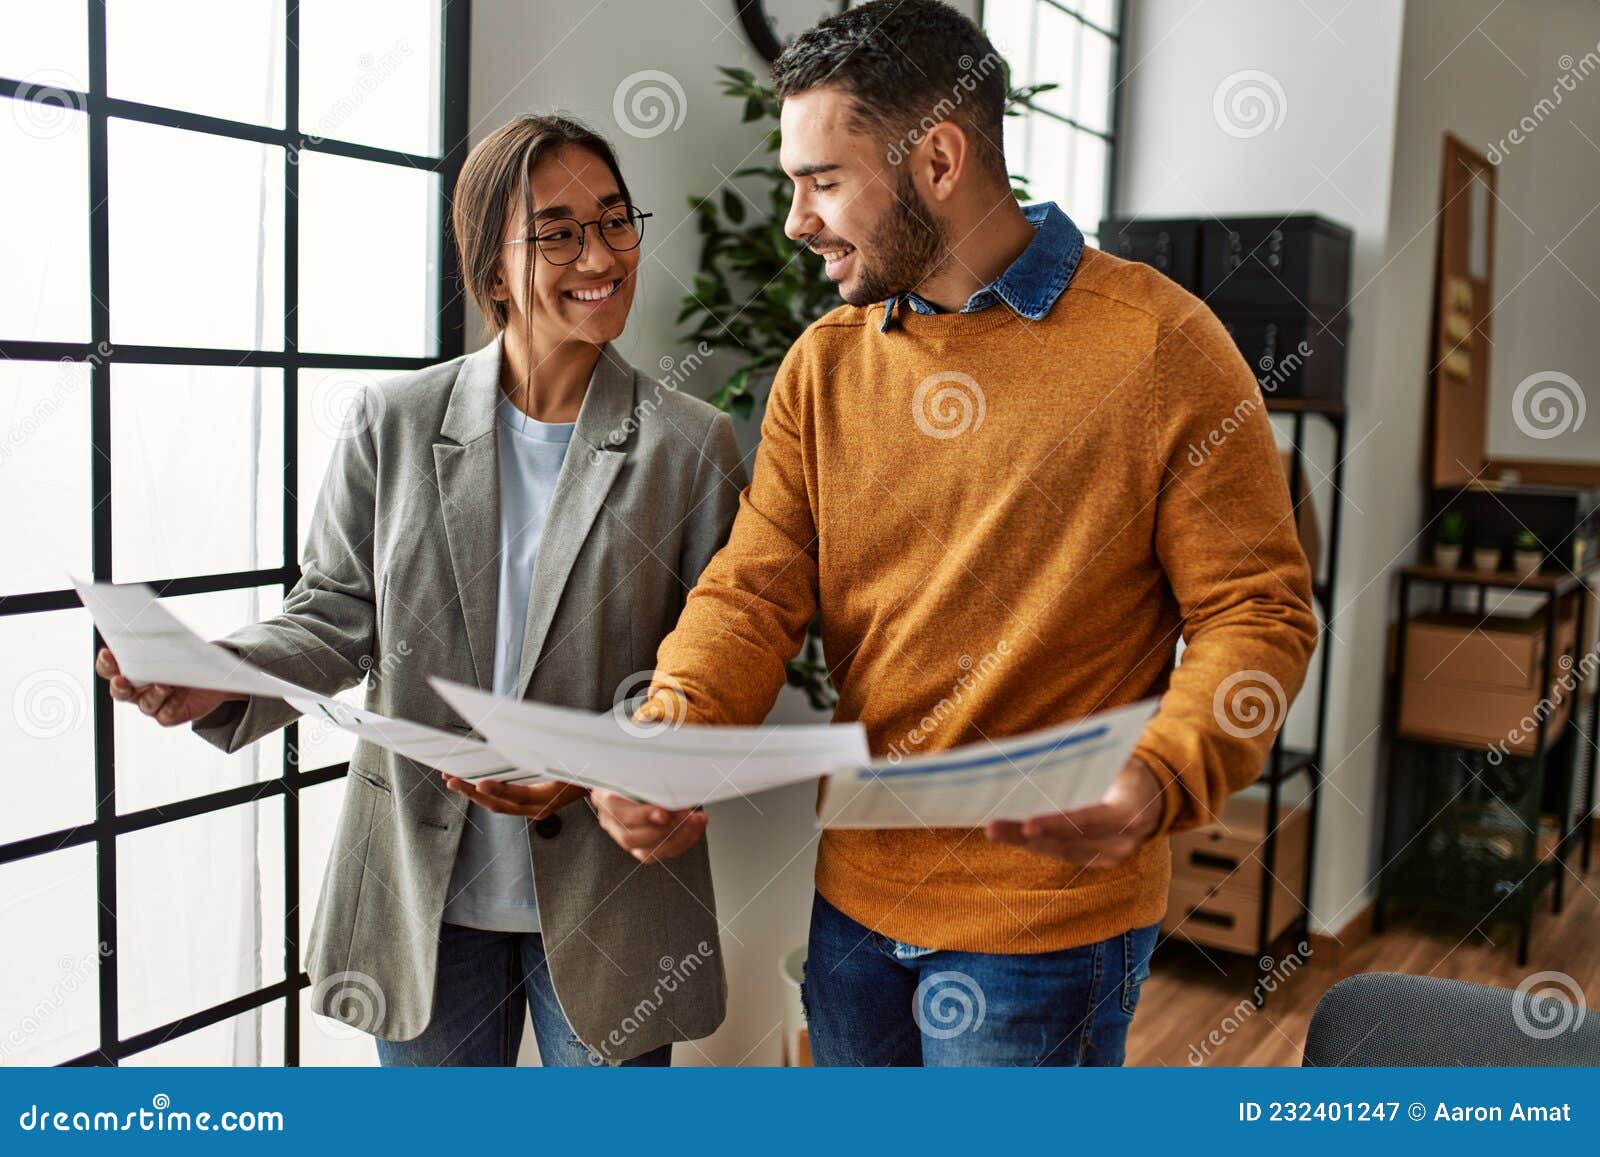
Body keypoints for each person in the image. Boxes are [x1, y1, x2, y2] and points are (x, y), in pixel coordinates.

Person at [587, 0, 1318, 1066]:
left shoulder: (1160, 344)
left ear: (936, 158)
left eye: (823, 180)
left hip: (1046, 927)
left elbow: (1255, 608)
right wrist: (674, 727)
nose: (797, 220)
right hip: (855, 902)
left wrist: (1165, 772)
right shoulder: (825, 365)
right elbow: (751, 589)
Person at [94, 113, 745, 1067]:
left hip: (614, 892)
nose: (598, 252)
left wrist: (625, 761)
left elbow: (711, 656)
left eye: (614, 220)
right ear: (492, 268)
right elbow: (334, 615)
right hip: (423, 893)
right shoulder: (392, 421)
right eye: (556, 230)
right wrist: (219, 675)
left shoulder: (690, 442)